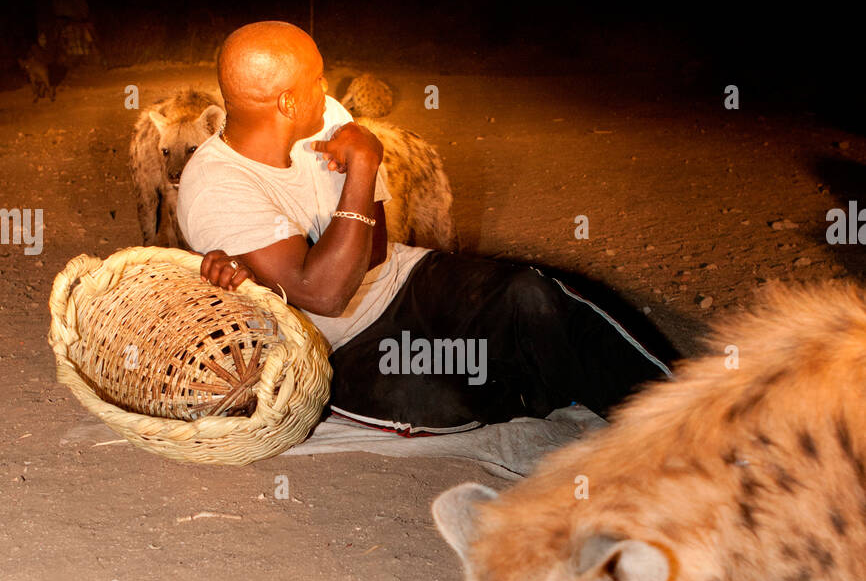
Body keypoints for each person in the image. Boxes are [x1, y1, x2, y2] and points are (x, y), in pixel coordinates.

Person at [177, 21, 673, 433]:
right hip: (334, 345)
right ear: (286, 103)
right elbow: (326, 296)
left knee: (531, 294)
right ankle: (548, 379)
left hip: (402, 277)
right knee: (444, 395)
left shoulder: (323, 116)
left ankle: (685, 416)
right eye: (317, 80)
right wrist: (364, 166)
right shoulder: (216, 184)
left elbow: (370, 251)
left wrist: (333, 238)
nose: (327, 91)